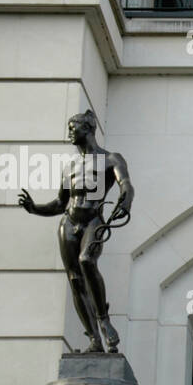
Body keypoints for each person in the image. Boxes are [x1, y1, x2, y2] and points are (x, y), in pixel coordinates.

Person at [18, 110, 133, 352]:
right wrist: (34, 208)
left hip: (93, 220)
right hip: (69, 223)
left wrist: (125, 200)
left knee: (87, 260)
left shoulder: (111, 159)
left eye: (74, 127)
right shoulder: (69, 167)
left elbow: (126, 185)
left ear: (88, 129)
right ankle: (94, 339)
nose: (70, 132)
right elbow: (60, 204)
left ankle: (104, 320)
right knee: (74, 279)